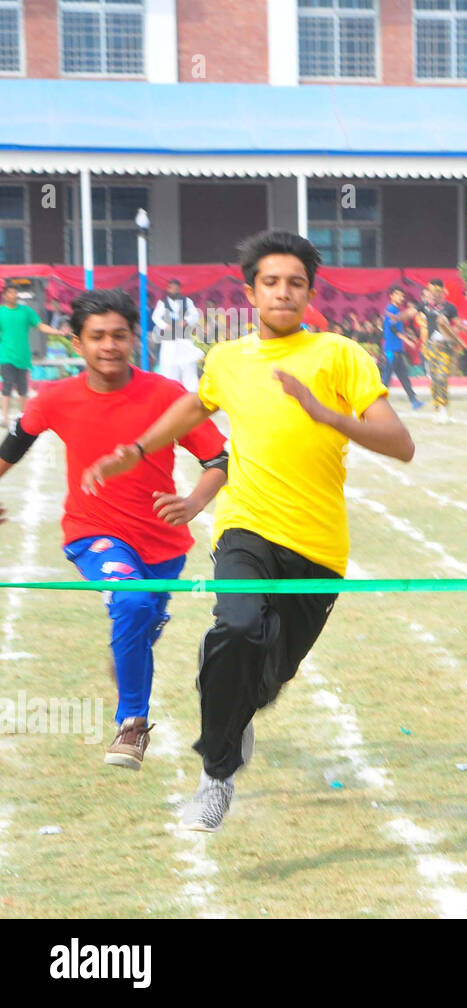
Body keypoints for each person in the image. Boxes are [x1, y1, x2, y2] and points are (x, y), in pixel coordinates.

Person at [82, 230, 415, 832]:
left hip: (317, 549)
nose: (283, 292)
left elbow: (401, 444)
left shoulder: (341, 356)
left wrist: (326, 414)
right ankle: (217, 774)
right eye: (271, 282)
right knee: (235, 627)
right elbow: (194, 406)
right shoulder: (228, 360)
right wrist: (135, 448)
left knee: (266, 680)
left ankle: (237, 714)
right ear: (251, 291)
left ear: (310, 293)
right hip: (247, 528)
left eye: (295, 283)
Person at [0, 288, 227, 770]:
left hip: (164, 543)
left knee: (139, 621)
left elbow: (218, 459)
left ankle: (131, 653)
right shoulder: (55, 397)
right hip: (92, 532)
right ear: (76, 345)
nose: (109, 346)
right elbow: (12, 448)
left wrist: (193, 501)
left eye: (119, 335)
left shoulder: (168, 397)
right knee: (131, 600)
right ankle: (133, 724)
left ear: (134, 339)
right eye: (97, 337)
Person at [1, 283, 66, 430]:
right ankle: (4, 417)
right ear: (5, 296)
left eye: (15, 292)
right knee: (7, 384)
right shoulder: (1, 312)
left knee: (23, 388)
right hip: (6, 356)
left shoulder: (26, 311)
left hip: (23, 355)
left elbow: (40, 326)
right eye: (10, 293)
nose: (14, 295)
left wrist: (57, 332)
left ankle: (20, 417)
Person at [418, 280, 466, 423]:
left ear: (441, 292)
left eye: (436, 291)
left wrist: (458, 329)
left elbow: (458, 324)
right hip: (430, 346)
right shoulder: (424, 306)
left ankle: (444, 408)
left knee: (441, 377)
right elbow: (413, 314)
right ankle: (437, 408)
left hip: (444, 346)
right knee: (433, 379)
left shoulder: (450, 308)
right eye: (430, 290)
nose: (433, 294)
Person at [151, 279, 204, 390]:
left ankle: (191, 392)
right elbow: (155, 317)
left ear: (179, 289)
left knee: (188, 366)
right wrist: (165, 326)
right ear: (168, 289)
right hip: (169, 340)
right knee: (169, 366)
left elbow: (195, 315)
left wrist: (186, 321)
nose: (174, 290)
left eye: (176, 288)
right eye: (171, 288)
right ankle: (170, 391)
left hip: (184, 338)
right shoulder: (163, 302)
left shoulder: (187, 301)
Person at [380, 286, 424, 410]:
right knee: (387, 377)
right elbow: (392, 328)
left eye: (402, 295)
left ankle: (414, 401)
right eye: (398, 295)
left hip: (398, 350)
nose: (401, 297)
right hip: (391, 350)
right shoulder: (391, 309)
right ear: (392, 296)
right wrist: (406, 340)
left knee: (404, 377)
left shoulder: (397, 310)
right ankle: (378, 402)